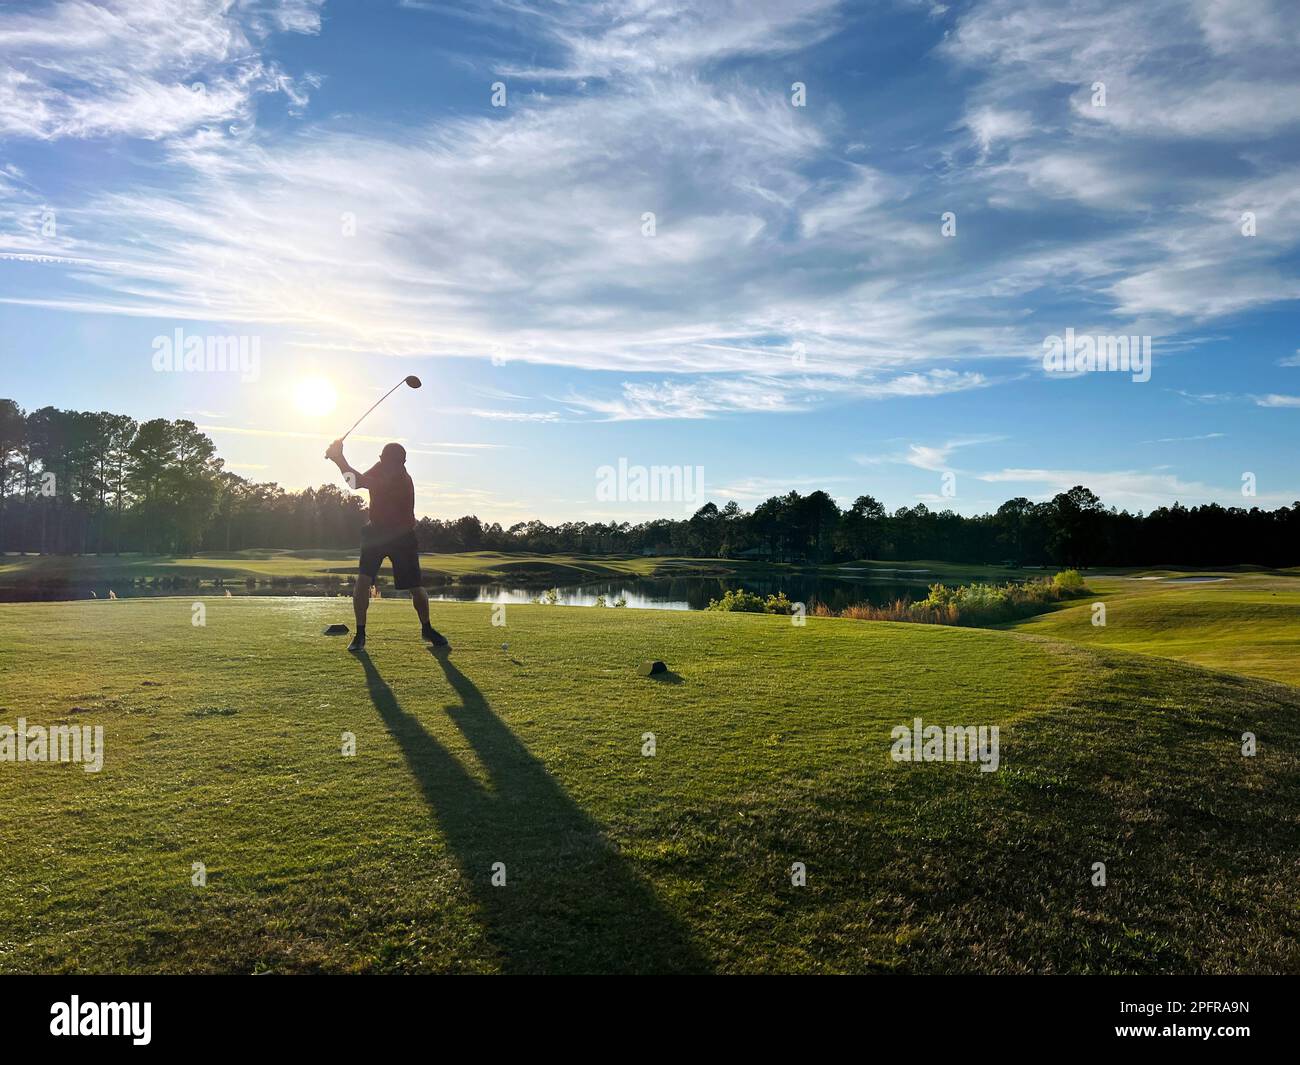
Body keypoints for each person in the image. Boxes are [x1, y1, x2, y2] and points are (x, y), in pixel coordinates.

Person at [325, 438, 449, 653]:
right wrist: (338, 459)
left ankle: (426, 628)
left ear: (401, 463)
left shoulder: (400, 479)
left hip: (402, 536)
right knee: (363, 581)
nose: (384, 465)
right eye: (382, 461)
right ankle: (360, 633)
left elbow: (360, 481)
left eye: (388, 462)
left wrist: (339, 458)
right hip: (376, 533)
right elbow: (355, 483)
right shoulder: (383, 467)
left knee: (416, 588)